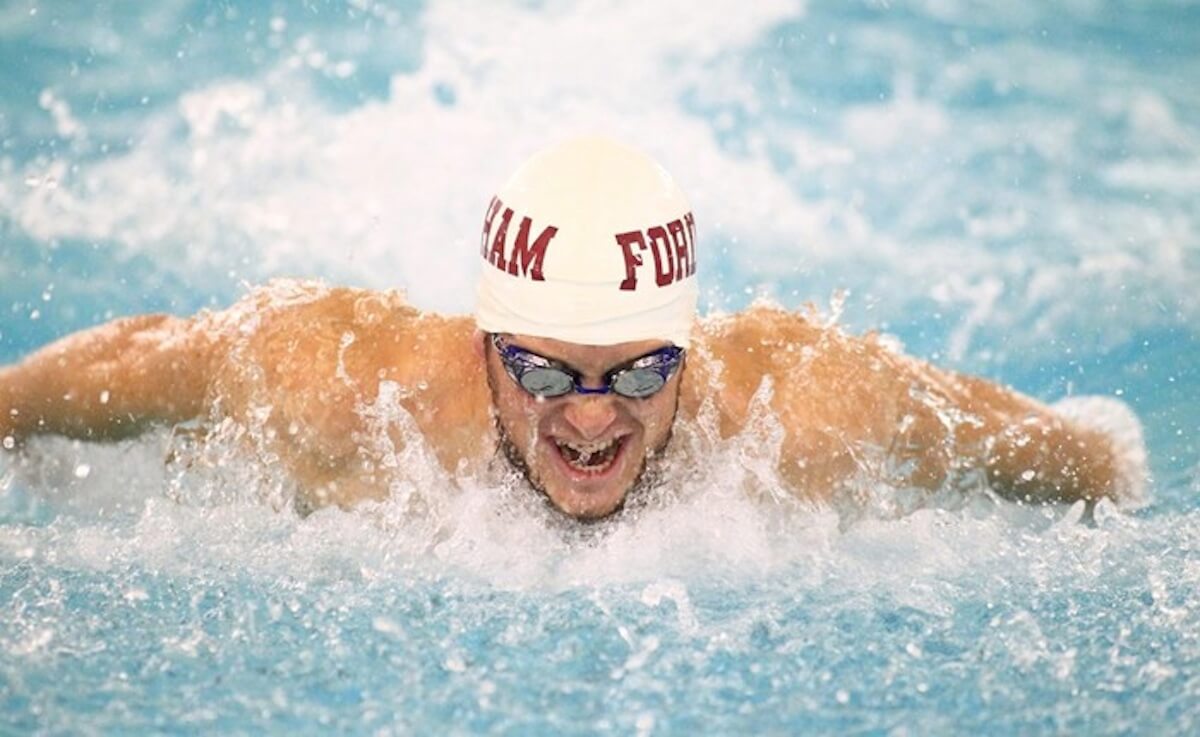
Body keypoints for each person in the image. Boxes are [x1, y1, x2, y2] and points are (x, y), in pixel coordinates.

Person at [0, 137, 1143, 521]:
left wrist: (1108, 466)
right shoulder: (345, 384)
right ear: (486, 344)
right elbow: (141, 358)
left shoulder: (803, 414)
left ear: (689, 353)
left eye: (640, 368)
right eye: (544, 367)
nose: (591, 415)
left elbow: (1011, 434)